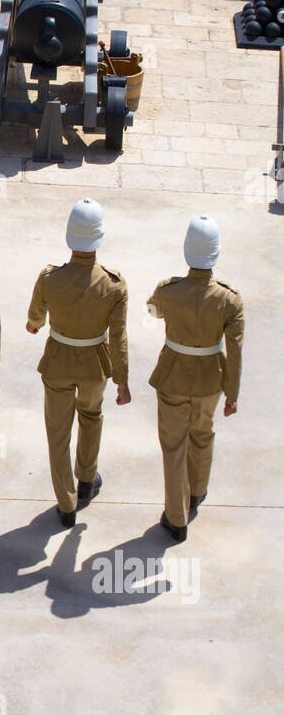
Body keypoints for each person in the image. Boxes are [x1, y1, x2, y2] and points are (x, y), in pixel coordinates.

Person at [26, 197, 130, 527]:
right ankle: (86, 479)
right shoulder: (114, 285)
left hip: (58, 360)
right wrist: (122, 378)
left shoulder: (50, 277)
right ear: (99, 238)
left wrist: (35, 324)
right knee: (91, 416)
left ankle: (66, 502)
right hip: (94, 366)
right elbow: (118, 336)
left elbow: (35, 317)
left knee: (57, 434)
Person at [147, 213, 243, 542]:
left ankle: (176, 518)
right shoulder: (230, 299)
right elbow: (236, 350)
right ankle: (197, 493)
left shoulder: (168, 289)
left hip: (173, 374)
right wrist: (232, 392)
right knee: (202, 434)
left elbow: (153, 311)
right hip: (210, 379)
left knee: (173, 446)